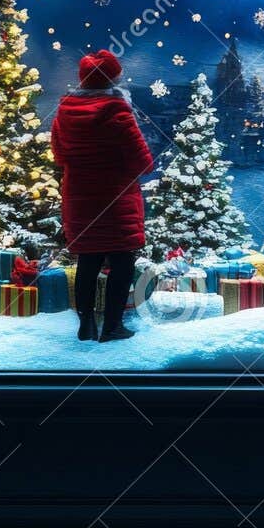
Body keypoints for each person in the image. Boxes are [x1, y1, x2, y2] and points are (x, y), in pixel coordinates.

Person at [50, 49, 154, 343]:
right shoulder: (118, 111)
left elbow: (59, 155)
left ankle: (86, 326)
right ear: (113, 79)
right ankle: (111, 327)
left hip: (80, 197)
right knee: (122, 262)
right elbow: (142, 162)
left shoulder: (64, 112)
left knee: (88, 260)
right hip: (115, 199)